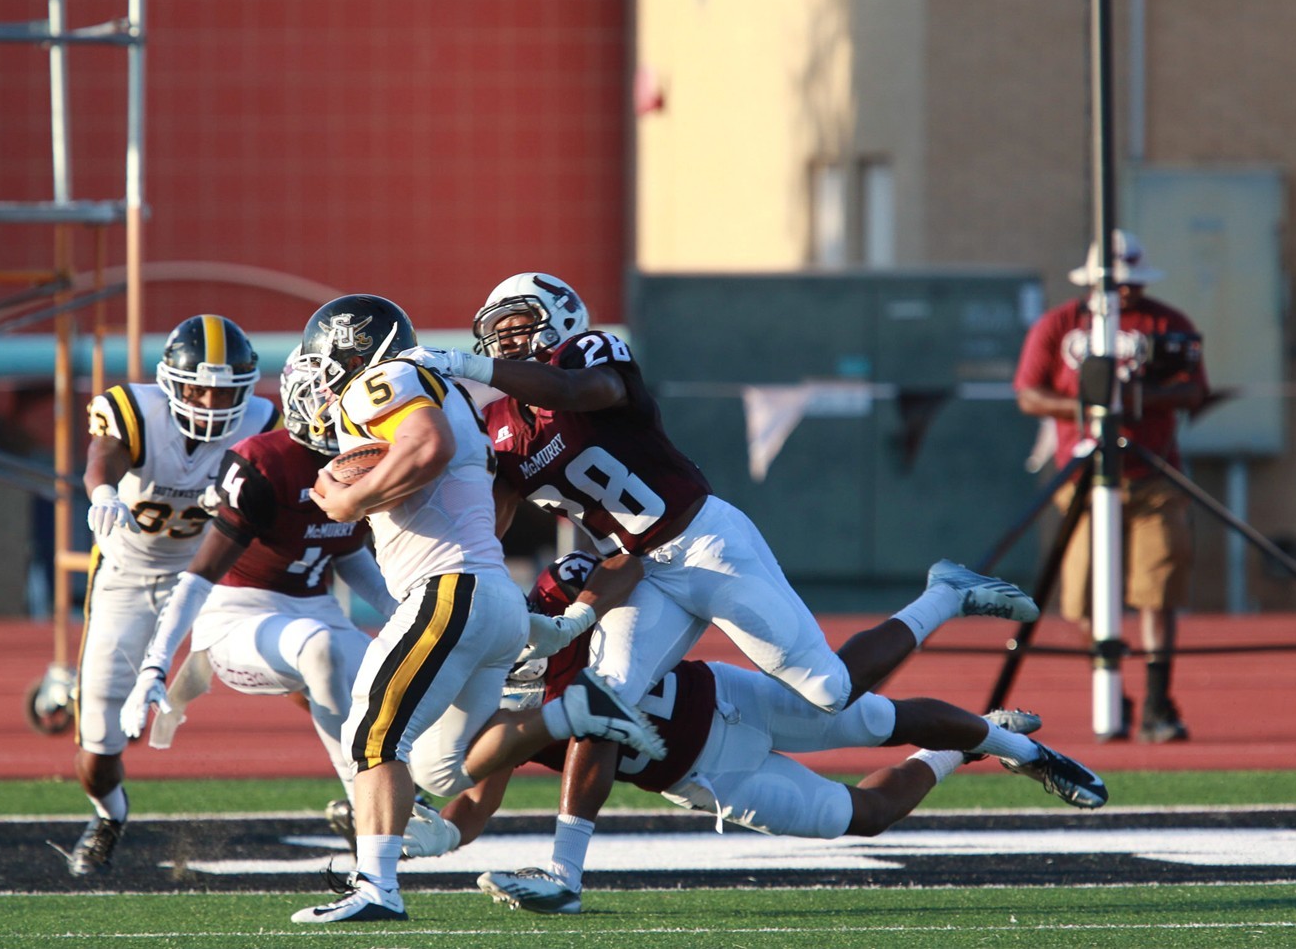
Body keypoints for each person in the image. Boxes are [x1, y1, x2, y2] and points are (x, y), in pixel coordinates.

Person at [418, 272, 1075, 902]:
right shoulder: (500, 422)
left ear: (559, 318)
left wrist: (469, 367)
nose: (503, 342)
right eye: (494, 334)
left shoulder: (590, 355)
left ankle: (945, 595)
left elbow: (582, 391)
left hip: (704, 540)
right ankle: (563, 874)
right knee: (603, 698)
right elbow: (486, 522)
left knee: (830, 689)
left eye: (517, 326)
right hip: (641, 566)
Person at [283, 293, 665, 923]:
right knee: (441, 764)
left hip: (448, 591)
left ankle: (376, 886)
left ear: (352, 349)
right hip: (492, 602)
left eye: (325, 356)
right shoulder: (452, 394)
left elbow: (426, 446)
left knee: (371, 736)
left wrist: (353, 503)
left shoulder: (383, 377)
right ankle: (573, 711)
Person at [449, 551, 1106, 915]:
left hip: (735, 697)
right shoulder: (494, 713)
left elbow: (625, 561)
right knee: (864, 815)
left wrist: (593, 603)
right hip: (708, 777)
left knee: (871, 711)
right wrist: (404, 834)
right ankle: (968, 741)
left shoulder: (562, 596)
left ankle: (1012, 726)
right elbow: (474, 801)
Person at [115, 354, 394, 808]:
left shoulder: (372, 459)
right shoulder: (267, 461)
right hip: (237, 617)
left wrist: (409, 618)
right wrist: (155, 666)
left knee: (400, 677)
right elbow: (200, 576)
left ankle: (409, 795)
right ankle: (363, 803)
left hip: (317, 608)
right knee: (319, 647)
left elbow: (347, 551)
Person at [63, 314, 279, 877]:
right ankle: (109, 816)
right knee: (98, 749)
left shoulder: (262, 419)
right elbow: (101, 457)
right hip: (129, 575)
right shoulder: (135, 410)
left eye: (224, 390)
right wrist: (104, 490)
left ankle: (361, 785)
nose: (210, 401)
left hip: (216, 573)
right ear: (171, 384)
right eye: (198, 387)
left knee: (302, 653)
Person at [1013, 231, 1209, 744]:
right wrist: (1089, 406)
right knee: (1084, 596)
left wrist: (1139, 396)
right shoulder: (1059, 324)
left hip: (1154, 475)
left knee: (1159, 589)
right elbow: (1029, 393)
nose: (1126, 294)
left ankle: (1159, 701)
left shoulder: (1169, 322)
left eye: (1133, 284)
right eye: (1116, 284)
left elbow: (1194, 388)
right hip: (1084, 479)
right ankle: (1111, 690)